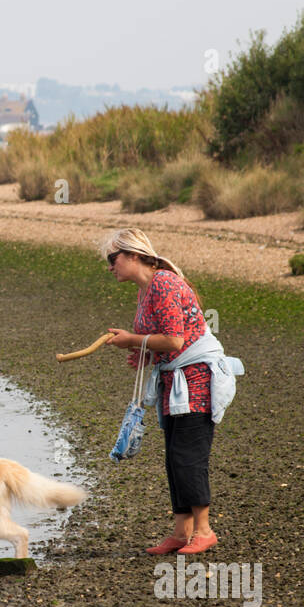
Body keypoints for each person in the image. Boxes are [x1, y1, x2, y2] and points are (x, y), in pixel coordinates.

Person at [102, 228, 218, 556]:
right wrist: (142, 353)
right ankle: (182, 533)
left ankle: (205, 531)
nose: (110, 267)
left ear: (135, 255)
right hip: (173, 382)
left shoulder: (164, 283)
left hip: (196, 382)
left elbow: (175, 340)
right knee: (173, 457)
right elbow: (159, 342)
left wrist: (132, 340)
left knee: (188, 456)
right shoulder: (147, 289)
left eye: (114, 258)